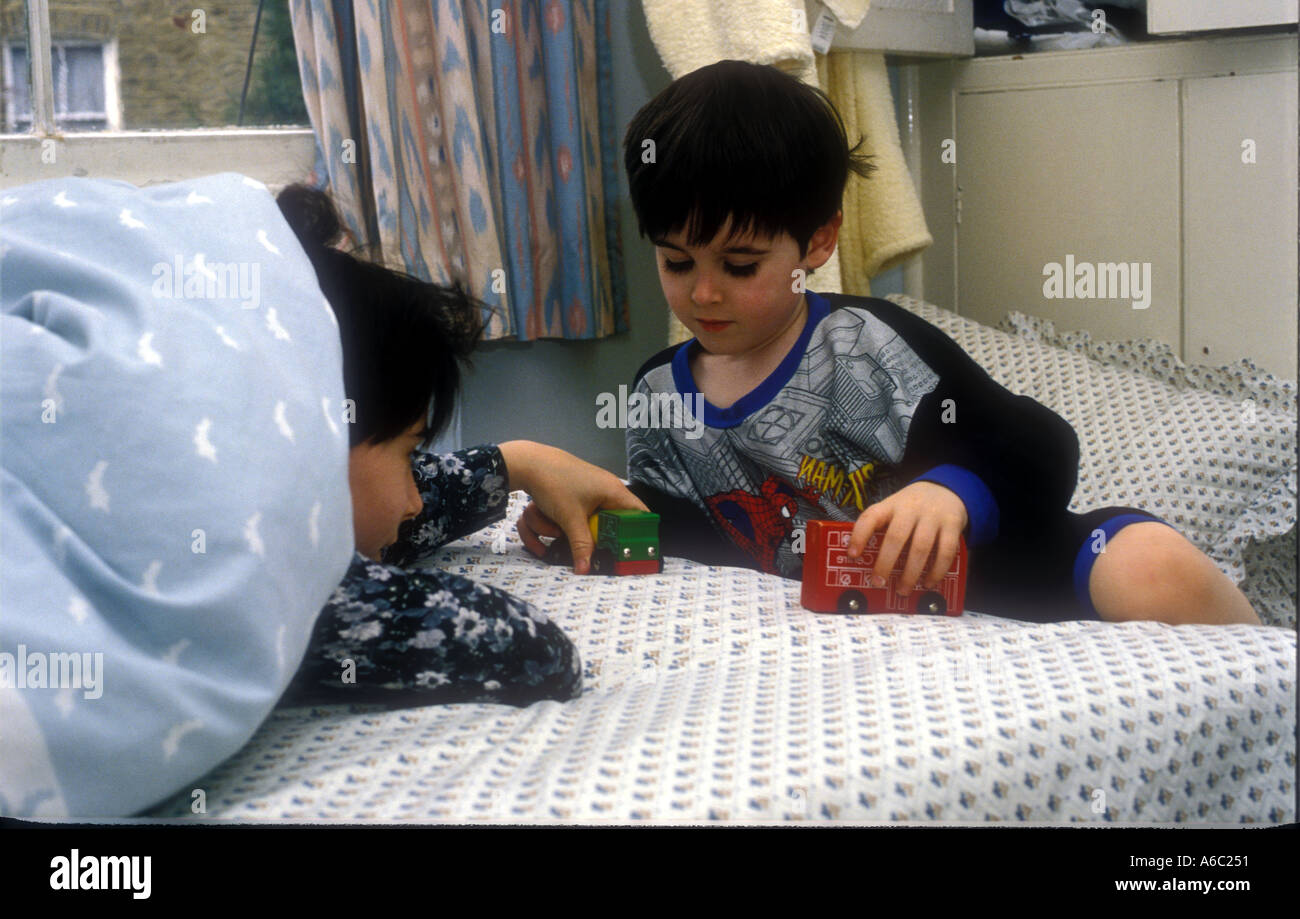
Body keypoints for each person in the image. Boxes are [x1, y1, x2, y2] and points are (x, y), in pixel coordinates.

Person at [616, 60, 1259, 626]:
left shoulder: (870, 347)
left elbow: (1040, 446)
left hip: (1025, 573)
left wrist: (952, 490)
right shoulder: (659, 393)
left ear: (816, 242)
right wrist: (590, 518)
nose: (703, 294)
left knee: (1151, 565)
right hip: (877, 621)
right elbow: (678, 531)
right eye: (676, 263)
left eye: (739, 266)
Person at [274, 184, 647, 708]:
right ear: (316, 445)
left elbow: (375, 506)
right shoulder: (269, 591)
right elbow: (535, 654)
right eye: (408, 456)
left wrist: (519, 462)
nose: (415, 501)